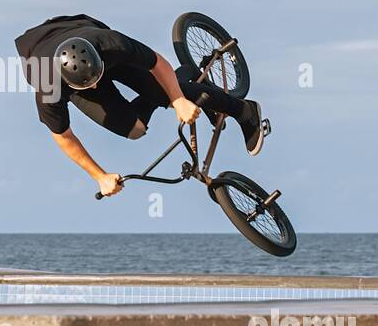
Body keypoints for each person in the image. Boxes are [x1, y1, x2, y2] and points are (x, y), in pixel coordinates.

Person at [14, 14, 265, 198]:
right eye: (89, 85)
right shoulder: (47, 86)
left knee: (167, 94)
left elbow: (157, 63)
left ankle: (244, 111)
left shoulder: (111, 43)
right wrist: (99, 176)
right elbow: (64, 137)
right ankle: (178, 82)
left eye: (97, 79)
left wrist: (178, 100)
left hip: (83, 32)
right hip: (42, 51)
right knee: (135, 130)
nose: (96, 86)